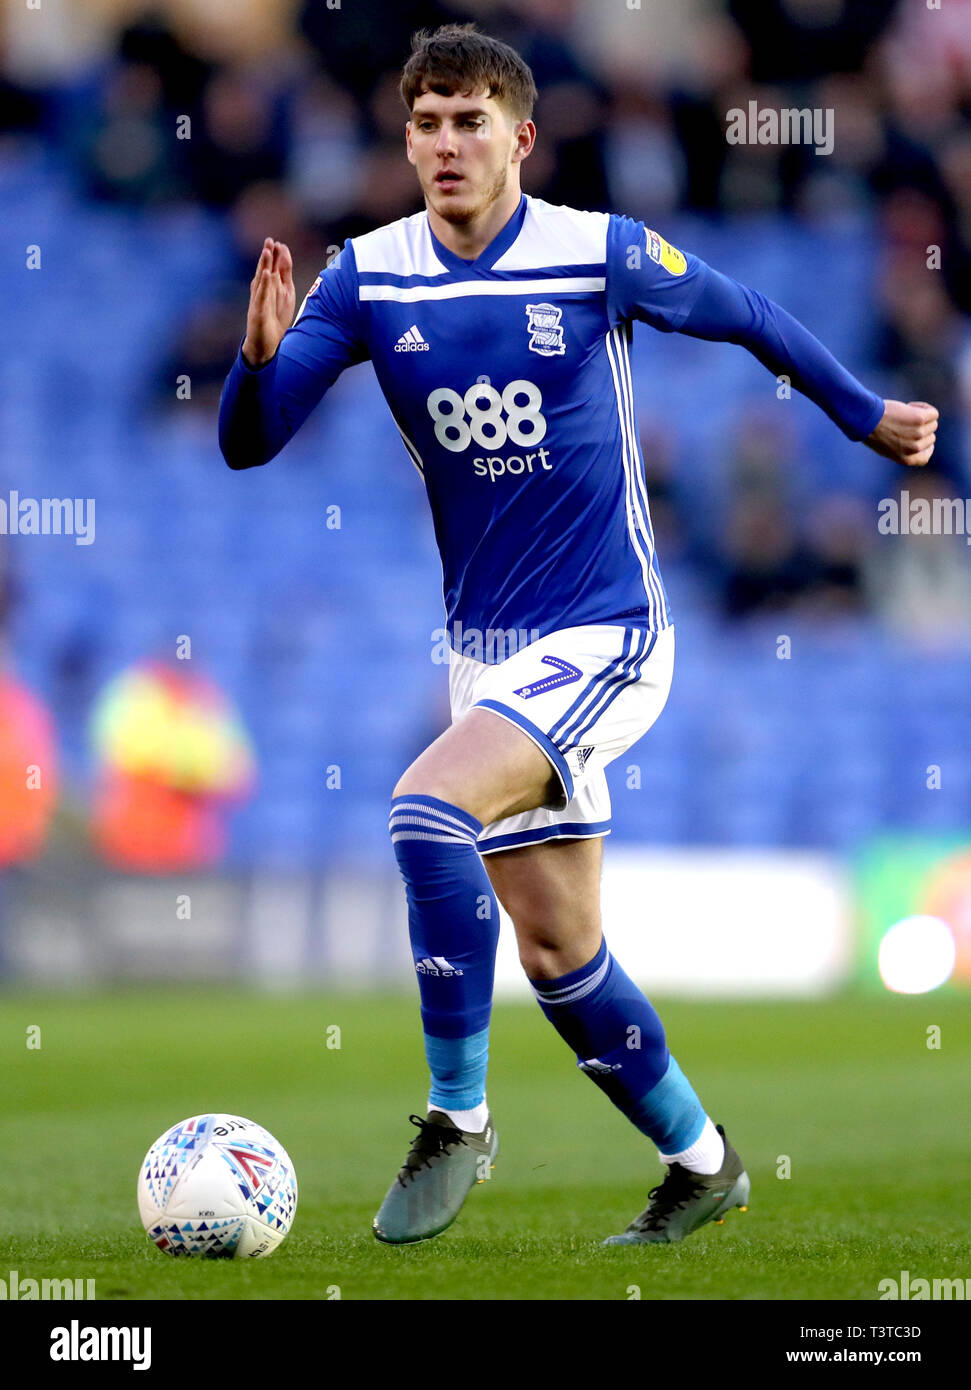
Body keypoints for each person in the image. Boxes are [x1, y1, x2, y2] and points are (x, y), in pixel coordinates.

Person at [218, 23, 938, 1246]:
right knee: (558, 948)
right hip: (484, 655)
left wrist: (865, 416)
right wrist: (252, 358)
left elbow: (747, 312)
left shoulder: (593, 253)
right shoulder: (366, 276)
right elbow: (248, 440)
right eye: (427, 124)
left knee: (420, 812)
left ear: (519, 138)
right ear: (406, 139)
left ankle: (457, 1117)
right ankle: (702, 1162)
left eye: (470, 122)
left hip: (606, 632)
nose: (447, 145)